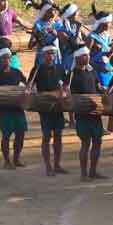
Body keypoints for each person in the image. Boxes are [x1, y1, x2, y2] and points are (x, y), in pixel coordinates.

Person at [29, 45, 67, 177]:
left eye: (54, 53)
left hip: (58, 107)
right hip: (44, 107)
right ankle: (48, 166)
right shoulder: (37, 69)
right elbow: (30, 87)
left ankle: (57, 164)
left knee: (58, 135)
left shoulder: (60, 68)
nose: (52, 56)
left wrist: (63, 95)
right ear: (43, 55)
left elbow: (66, 86)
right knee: (46, 136)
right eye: (49, 53)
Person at [66, 47, 104, 180]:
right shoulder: (71, 75)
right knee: (86, 143)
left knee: (98, 141)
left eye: (88, 55)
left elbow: (97, 86)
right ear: (77, 58)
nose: (87, 57)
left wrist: (102, 90)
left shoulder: (92, 71)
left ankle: (93, 171)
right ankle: (83, 174)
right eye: (84, 56)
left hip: (95, 112)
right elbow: (69, 97)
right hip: (82, 114)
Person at [0, 46, 28, 169]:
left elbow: (26, 84)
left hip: (17, 107)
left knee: (20, 133)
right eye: (4, 58)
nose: (7, 60)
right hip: (5, 109)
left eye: (8, 58)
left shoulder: (17, 72)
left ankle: (16, 159)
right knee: (6, 135)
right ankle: (7, 161)